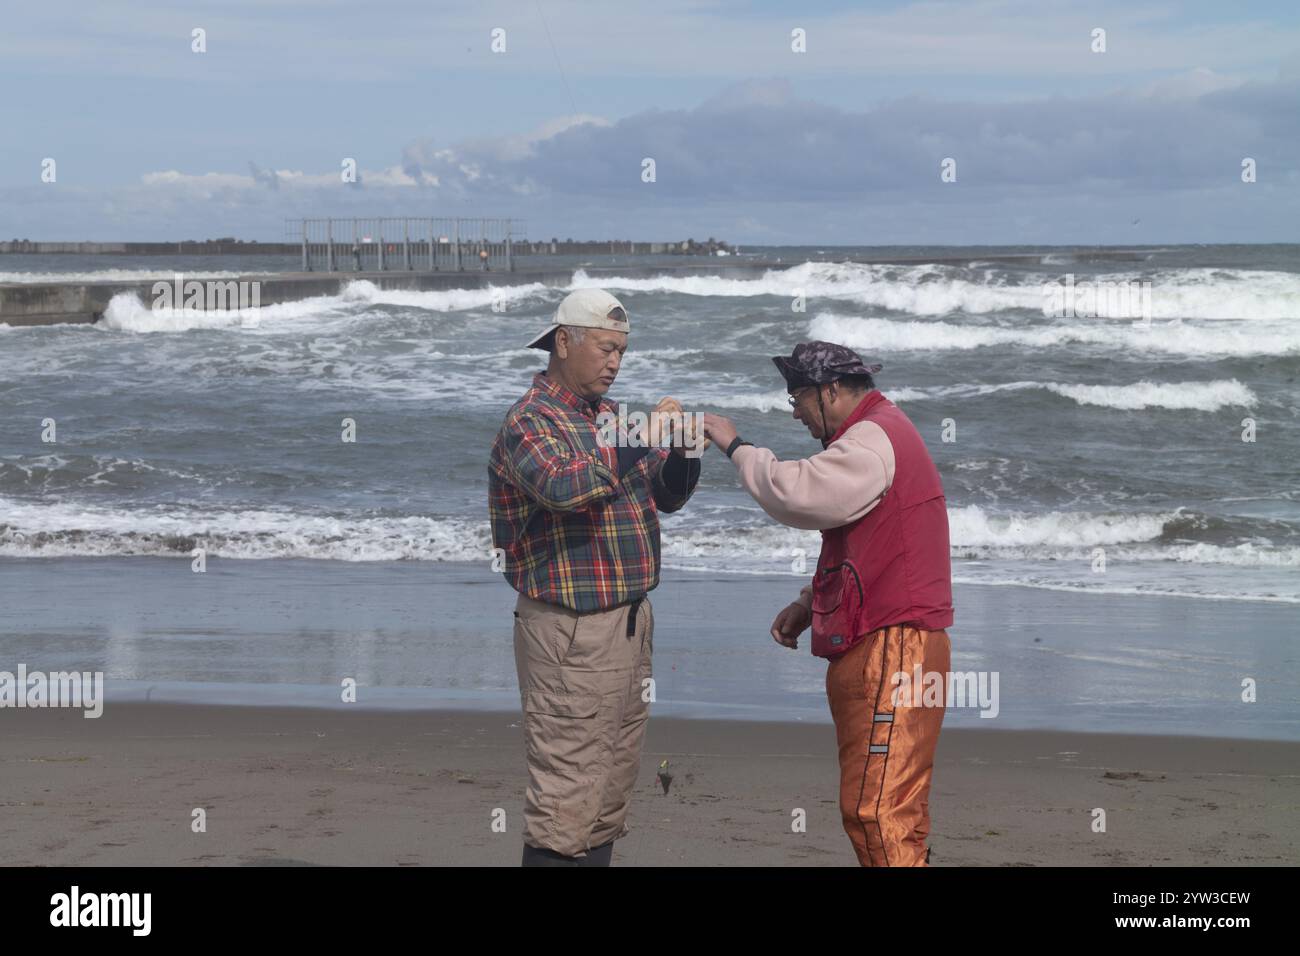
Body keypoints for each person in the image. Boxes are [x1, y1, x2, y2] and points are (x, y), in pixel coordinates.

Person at [702, 341, 953, 867]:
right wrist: (807, 600)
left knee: (875, 811)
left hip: (892, 647)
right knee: (895, 807)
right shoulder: (879, 433)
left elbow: (796, 493)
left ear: (831, 390)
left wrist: (734, 444)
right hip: (899, 642)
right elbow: (862, 536)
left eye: (797, 396)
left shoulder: (869, 441)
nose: (794, 410)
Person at [488, 288, 702, 866]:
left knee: (608, 794)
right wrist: (643, 437)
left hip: (627, 623)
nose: (615, 363)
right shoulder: (530, 420)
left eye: (622, 353)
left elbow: (667, 494)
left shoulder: (608, 417)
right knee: (566, 800)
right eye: (606, 349)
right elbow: (564, 487)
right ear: (564, 342)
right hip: (569, 632)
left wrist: (683, 453)